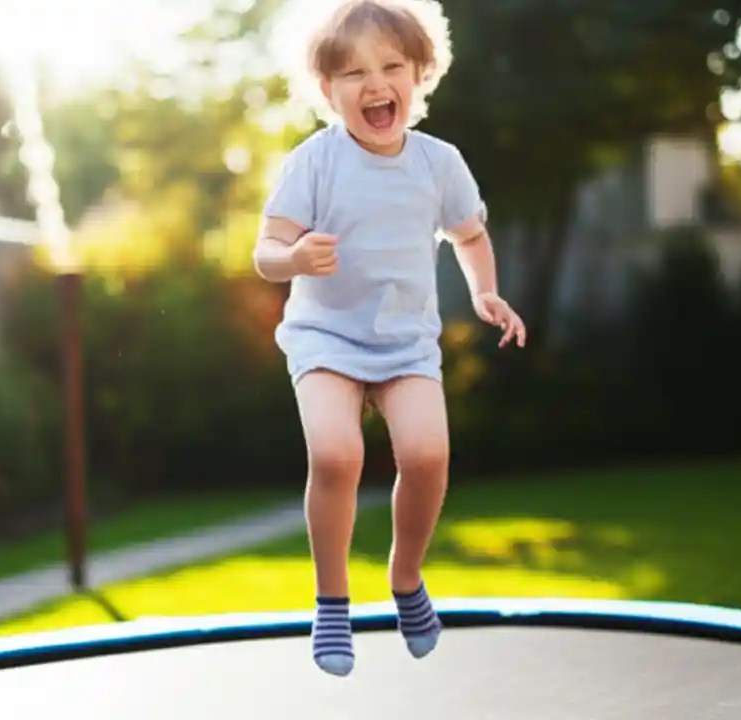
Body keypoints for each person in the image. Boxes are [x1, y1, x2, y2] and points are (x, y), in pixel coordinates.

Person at [251, 0, 526, 676]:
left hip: (404, 345)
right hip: (325, 340)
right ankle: (333, 602)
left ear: (420, 75)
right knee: (337, 454)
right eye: (353, 74)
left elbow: (470, 234)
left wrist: (485, 291)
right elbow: (265, 251)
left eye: (391, 67)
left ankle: (406, 580)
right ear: (327, 91)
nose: (375, 85)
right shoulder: (314, 162)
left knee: (429, 455)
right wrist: (293, 261)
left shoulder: (438, 163)